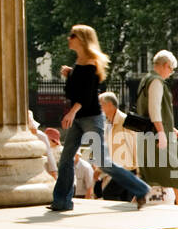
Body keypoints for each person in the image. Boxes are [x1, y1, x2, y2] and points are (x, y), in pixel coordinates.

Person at [49, 24, 150, 211]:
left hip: (91, 118)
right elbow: (72, 91)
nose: (68, 38)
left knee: (103, 162)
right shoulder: (79, 64)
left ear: (81, 39)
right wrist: (70, 74)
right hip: (80, 117)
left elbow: (87, 95)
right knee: (66, 158)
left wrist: (71, 112)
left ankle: (141, 188)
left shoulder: (91, 64)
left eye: (72, 35)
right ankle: (62, 201)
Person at [135, 50, 178, 203]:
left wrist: (170, 128)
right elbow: (154, 109)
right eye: (171, 69)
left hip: (147, 135)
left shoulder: (145, 80)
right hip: (158, 136)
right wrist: (162, 133)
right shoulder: (156, 81)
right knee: (177, 173)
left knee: (148, 176)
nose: (171, 73)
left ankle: (134, 204)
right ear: (166, 65)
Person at [93, 94, 138, 202]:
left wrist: (138, 169)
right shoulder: (108, 123)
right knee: (123, 199)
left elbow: (135, 144)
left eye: (100, 105)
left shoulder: (124, 120)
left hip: (130, 168)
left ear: (109, 105)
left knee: (109, 193)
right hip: (121, 169)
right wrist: (100, 169)